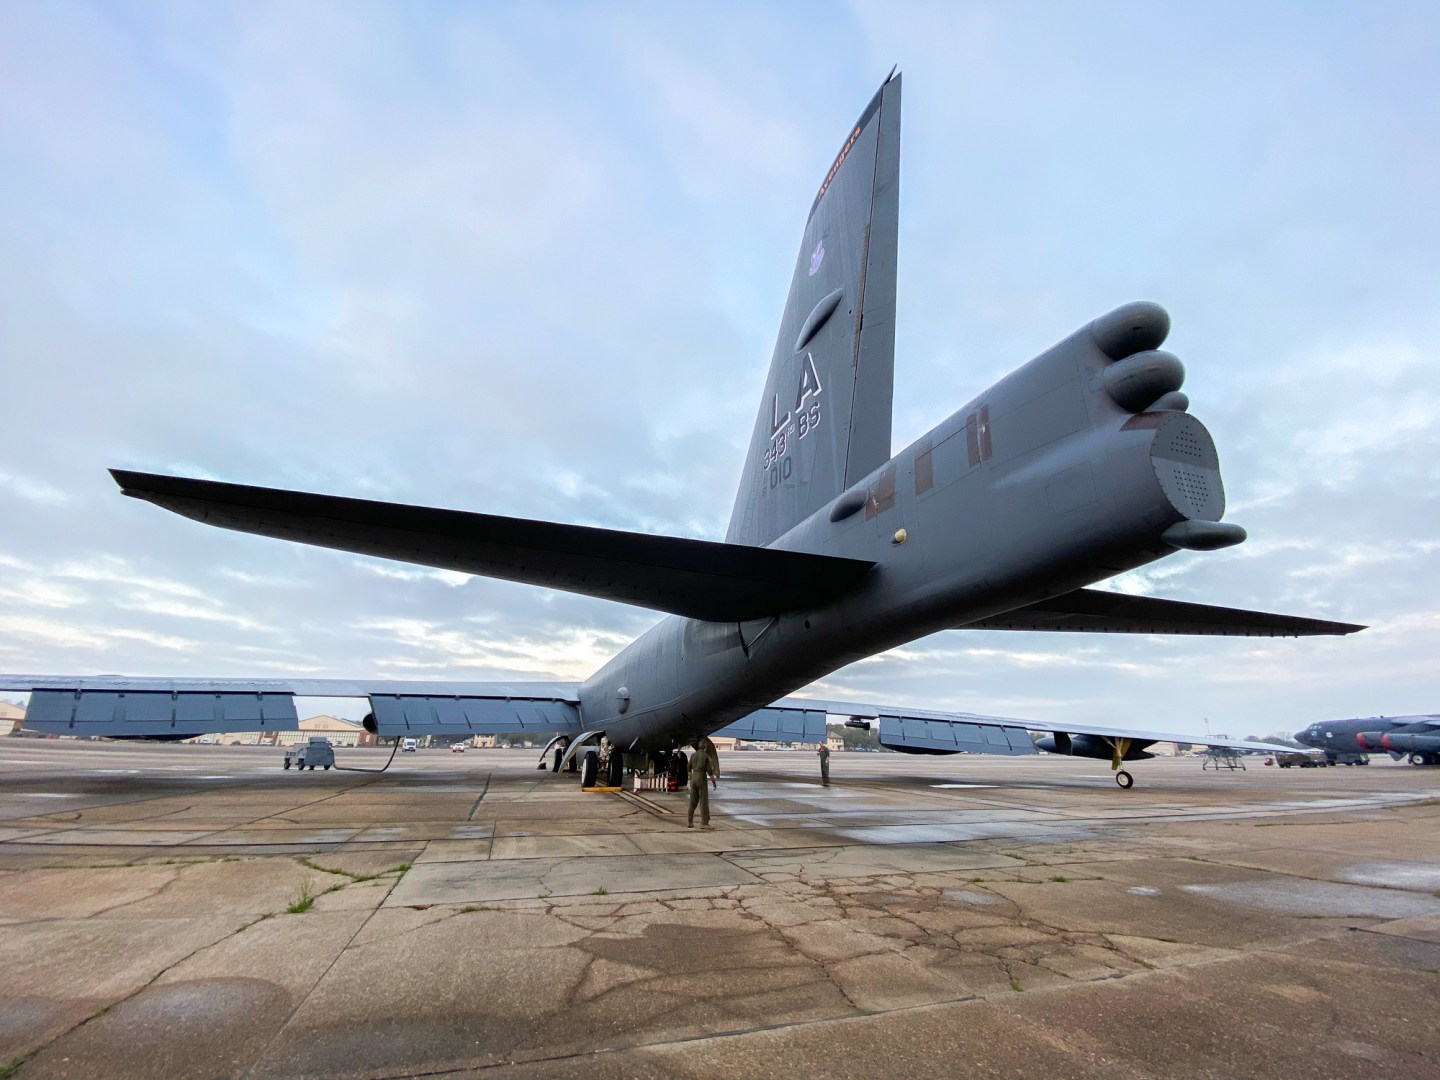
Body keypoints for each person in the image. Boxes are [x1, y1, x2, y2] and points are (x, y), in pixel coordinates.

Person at [687, 741, 718, 829]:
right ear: (705, 748)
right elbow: (709, 771)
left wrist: (690, 777)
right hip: (701, 778)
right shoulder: (705, 756)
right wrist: (714, 782)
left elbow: (688, 767)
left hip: (694, 778)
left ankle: (690, 821)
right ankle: (704, 823)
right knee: (703, 801)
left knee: (692, 801)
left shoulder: (693, 755)